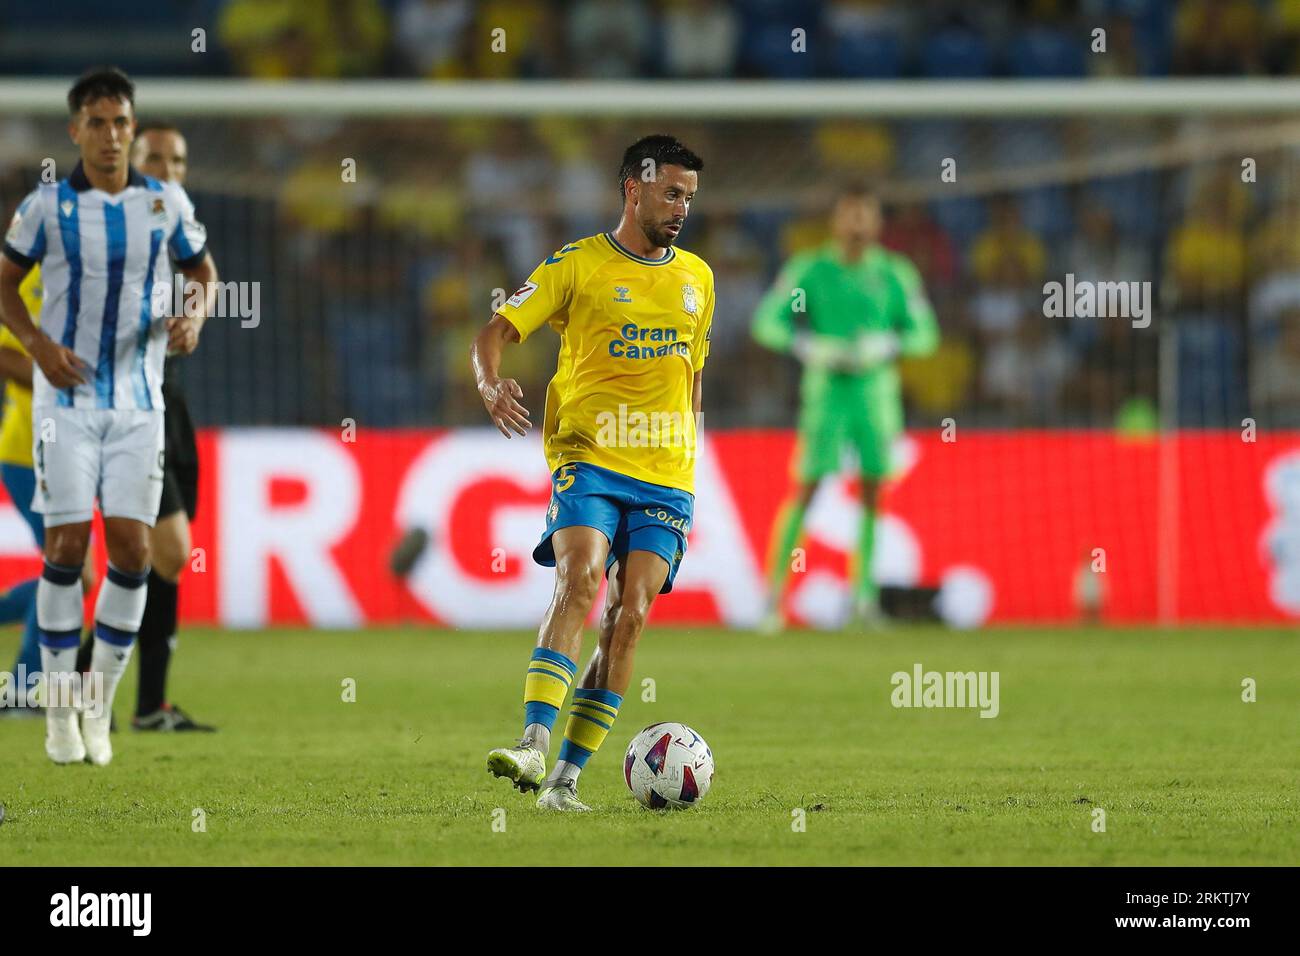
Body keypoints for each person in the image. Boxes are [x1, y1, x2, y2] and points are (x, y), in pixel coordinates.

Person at [471, 135, 712, 811]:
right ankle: (531, 743)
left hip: (666, 476)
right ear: (632, 189)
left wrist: (691, 458)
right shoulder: (576, 265)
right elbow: (492, 334)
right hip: (590, 460)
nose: (682, 207)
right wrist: (491, 385)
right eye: (671, 193)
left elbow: (693, 377)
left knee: (628, 617)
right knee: (580, 580)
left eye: (689, 196)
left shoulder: (698, 278)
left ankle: (566, 782)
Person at [0, 66, 216, 764]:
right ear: (75, 131)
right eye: (97, 122)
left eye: (122, 122)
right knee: (65, 551)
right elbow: (3, 285)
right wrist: (37, 347)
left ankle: (98, 705)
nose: (112, 135)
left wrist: (196, 318)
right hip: (65, 405)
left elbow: (204, 274)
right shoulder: (45, 210)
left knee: (131, 552)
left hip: (138, 406)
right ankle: (59, 712)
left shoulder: (165, 203)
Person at [71, 122, 215, 732]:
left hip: (170, 400)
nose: (169, 168)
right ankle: (86, 681)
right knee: (165, 550)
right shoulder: (107, 219)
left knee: (162, 558)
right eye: (156, 157)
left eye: (179, 159)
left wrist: (195, 319)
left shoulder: (178, 220)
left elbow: (206, 281)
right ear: (128, 159)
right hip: (126, 405)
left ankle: (137, 701)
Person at [753, 183, 938, 632]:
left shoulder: (895, 273)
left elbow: (926, 334)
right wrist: (806, 344)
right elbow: (766, 322)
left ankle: (863, 599)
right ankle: (772, 597)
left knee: (875, 490)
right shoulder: (810, 269)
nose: (857, 224)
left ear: (877, 222)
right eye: (849, 215)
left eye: (865, 215)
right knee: (809, 488)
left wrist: (889, 342)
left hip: (876, 395)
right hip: (827, 393)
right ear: (836, 220)